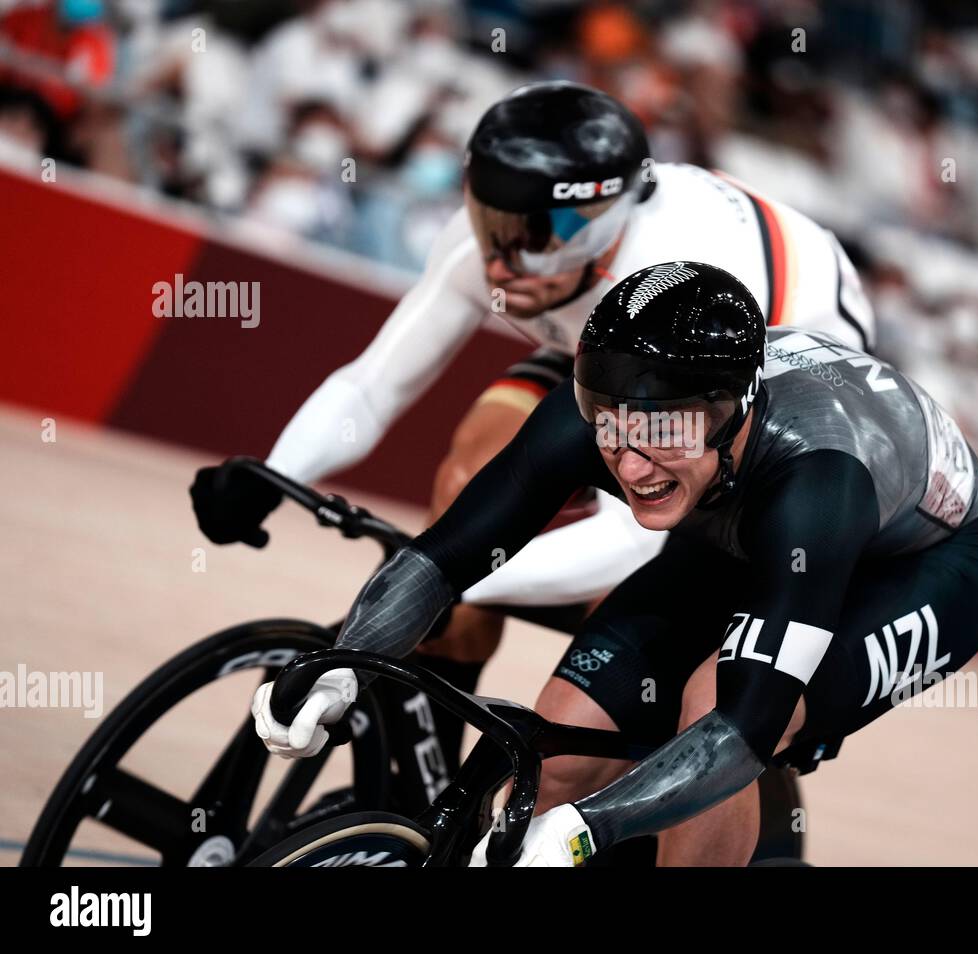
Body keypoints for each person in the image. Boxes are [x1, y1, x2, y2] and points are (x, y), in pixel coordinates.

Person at [192, 81, 875, 785]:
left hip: (758, 375)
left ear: (601, 222)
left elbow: (632, 537)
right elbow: (371, 385)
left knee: (674, 591)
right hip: (617, 344)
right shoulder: (509, 242)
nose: (497, 262)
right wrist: (271, 471)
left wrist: (449, 586)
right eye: (491, 225)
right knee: (469, 482)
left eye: (526, 239)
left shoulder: (678, 269)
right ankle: (418, 793)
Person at [250, 262, 978, 866]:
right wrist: (345, 660)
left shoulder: (820, 479)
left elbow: (743, 729)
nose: (631, 462)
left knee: (714, 702)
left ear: (733, 407)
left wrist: (588, 833)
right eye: (610, 429)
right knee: (549, 768)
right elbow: (446, 556)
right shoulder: (609, 412)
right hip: (738, 528)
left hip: (927, 565)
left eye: (663, 432)